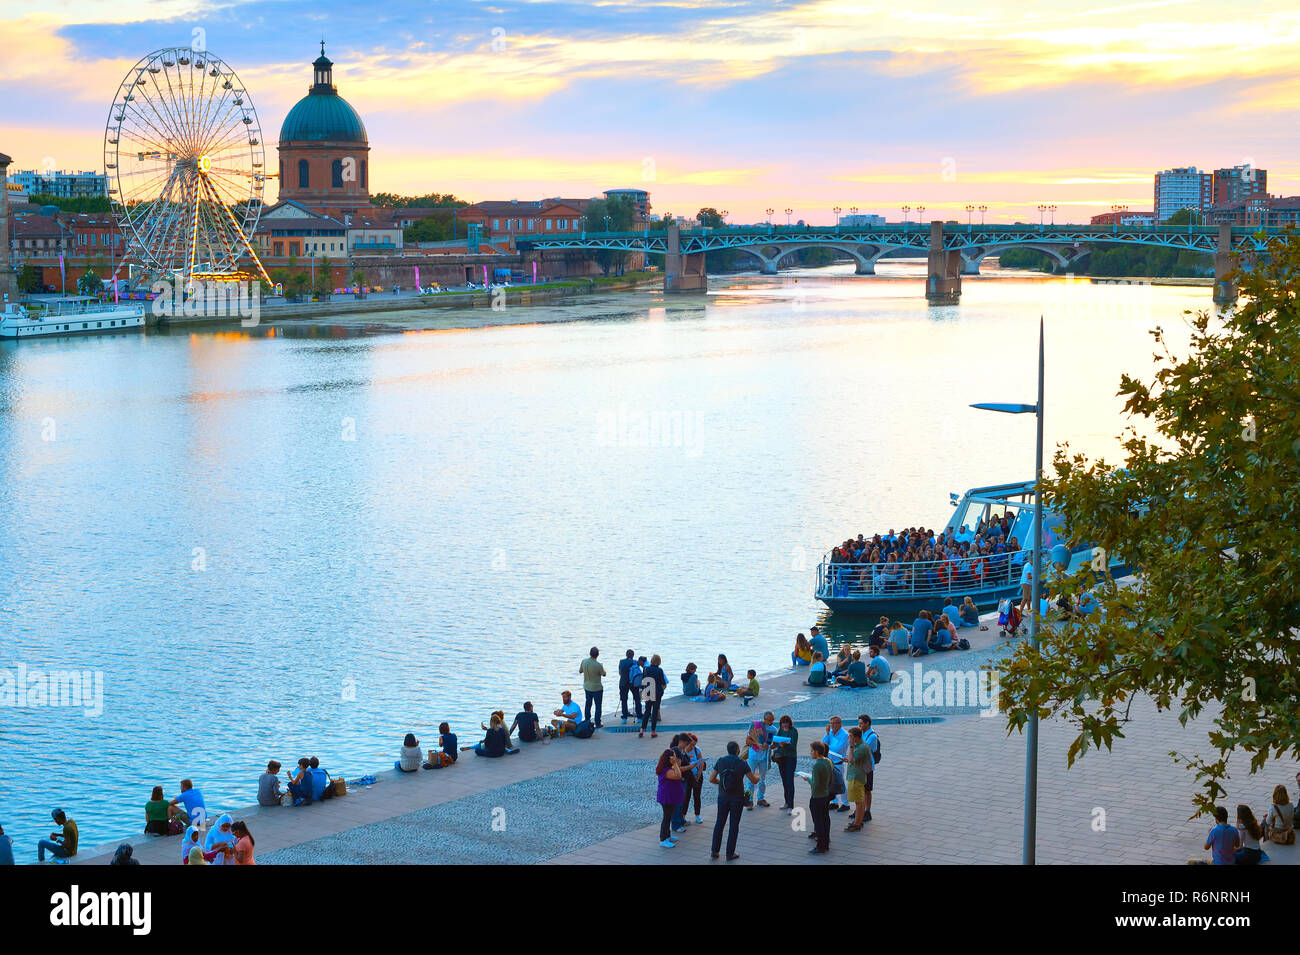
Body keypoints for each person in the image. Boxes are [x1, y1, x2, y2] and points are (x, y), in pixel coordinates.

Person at [709, 740, 759, 861]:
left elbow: (711, 779)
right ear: (738, 751)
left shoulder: (721, 761)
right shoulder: (742, 763)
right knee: (734, 825)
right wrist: (757, 776)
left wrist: (721, 783)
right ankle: (729, 853)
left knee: (719, 824)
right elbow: (753, 780)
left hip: (723, 797)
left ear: (727, 750)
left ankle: (714, 851)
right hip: (737, 798)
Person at [844, 726, 873, 832]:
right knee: (858, 801)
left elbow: (852, 760)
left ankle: (857, 823)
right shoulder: (860, 746)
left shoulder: (861, 747)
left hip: (856, 777)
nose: (849, 739)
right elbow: (852, 760)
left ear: (856, 737)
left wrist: (851, 747)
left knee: (859, 802)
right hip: (855, 776)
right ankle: (858, 821)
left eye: (850, 736)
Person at [655, 748, 685, 848]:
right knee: (667, 818)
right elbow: (678, 775)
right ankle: (663, 839)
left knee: (668, 816)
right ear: (670, 758)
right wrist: (675, 764)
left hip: (670, 796)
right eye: (674, 756)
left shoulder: (668, 768)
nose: (675, 758)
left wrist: (676, 763)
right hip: (666, 797)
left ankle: (667, 836)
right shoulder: (666, 771)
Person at [807, 741, 833, 854]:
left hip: (817, 796)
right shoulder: (828, 761)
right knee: (825, 819)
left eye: (812, 751)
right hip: (826, 794)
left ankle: (820, 845)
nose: (811, 753)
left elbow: (815, 784)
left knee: (818, 822)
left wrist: (808, 779)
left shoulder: (817, 765)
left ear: (817, 752)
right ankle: (826, 842)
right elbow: (831, 779)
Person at [821, 716, 850, 812]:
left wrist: (828, 747)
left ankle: (846, 803)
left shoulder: (844, 735)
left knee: (840, 783)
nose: (832, 725)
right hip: (830, 761)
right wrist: (827, 733)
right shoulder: (830, 733)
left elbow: (838, 748)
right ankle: (834, 802)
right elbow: (823, 744)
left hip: (838, 762)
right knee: (830, 783)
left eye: (834, 723)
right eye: (831, 723)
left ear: (840, 724)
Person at [771, 715, 799, 812]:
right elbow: (777, 742)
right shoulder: (781, 730)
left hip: (790, 758)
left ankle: (791, 805)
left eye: (786, 724)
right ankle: (786, 802)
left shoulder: (794, 731)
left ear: (789, 723)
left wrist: (784, 745)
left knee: (789, 781)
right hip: (781, 758)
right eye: (783, 724)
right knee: (784, 781)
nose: (785, 725)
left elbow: (793, 746)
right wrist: (775, 744)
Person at [742, 718, 771, 808]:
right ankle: (749, 801)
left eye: (772, 720)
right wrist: (757, 744)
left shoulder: (773, 729)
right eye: (770, 719)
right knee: (750, 779)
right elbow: (747, 741)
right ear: (765, 719)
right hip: (753, 757)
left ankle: (760, 799)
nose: (771, 721)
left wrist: (769, 745)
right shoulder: (756, 725)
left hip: (764, 757)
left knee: (762, 779)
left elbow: (772, 743)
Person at [638, 654, 668, 738]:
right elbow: (663, 682)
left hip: (648, 691)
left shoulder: (646, 669)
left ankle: (642, 730)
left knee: (647, 711)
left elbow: (643, 681)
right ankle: (653, 731)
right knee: (654, 711)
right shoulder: (659, 670)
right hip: (657, 692)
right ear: (659, 662)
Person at [679, 733, 706, 825]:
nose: (693, 746)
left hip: (697, 776)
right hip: (687, 777)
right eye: (691, 744)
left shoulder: (697, 750)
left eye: (694, 745)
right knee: (686, 796)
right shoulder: (683, 752)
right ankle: (683, 816)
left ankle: (697, 815)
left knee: (697, 796)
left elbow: (701, 762)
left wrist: (698, 775)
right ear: (687, 743)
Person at [858, 714, 880, 822]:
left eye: (861, 723)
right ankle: (860, 809)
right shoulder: (861, 733)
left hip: (867, 766)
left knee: (867, 790)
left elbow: (864, 749)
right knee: (860, 788)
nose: (860, 725)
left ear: (867, 723)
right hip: (860, 765)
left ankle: (867, 811)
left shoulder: (872, 736)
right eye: (859, 723)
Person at [579, 646, 606, 728]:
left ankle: (587, 720)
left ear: (590, 653)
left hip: (587, 686)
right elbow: (604, 674)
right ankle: (598, 722)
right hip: (597, 688)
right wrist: (602, 667)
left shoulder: (584, 661)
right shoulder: (598, 665)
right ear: (598, 655)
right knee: (598, 705)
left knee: (588, 704)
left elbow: (580, 671)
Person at [618, 649, 642, 723]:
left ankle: (624, 718)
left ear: (626, 655)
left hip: (623, 683)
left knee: (624, 700)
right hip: (633, 683)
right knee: (637, 699)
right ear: (633, 655)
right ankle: (639, 717)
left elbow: (620, 672)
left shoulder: (621, 662)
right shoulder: (635, 662)